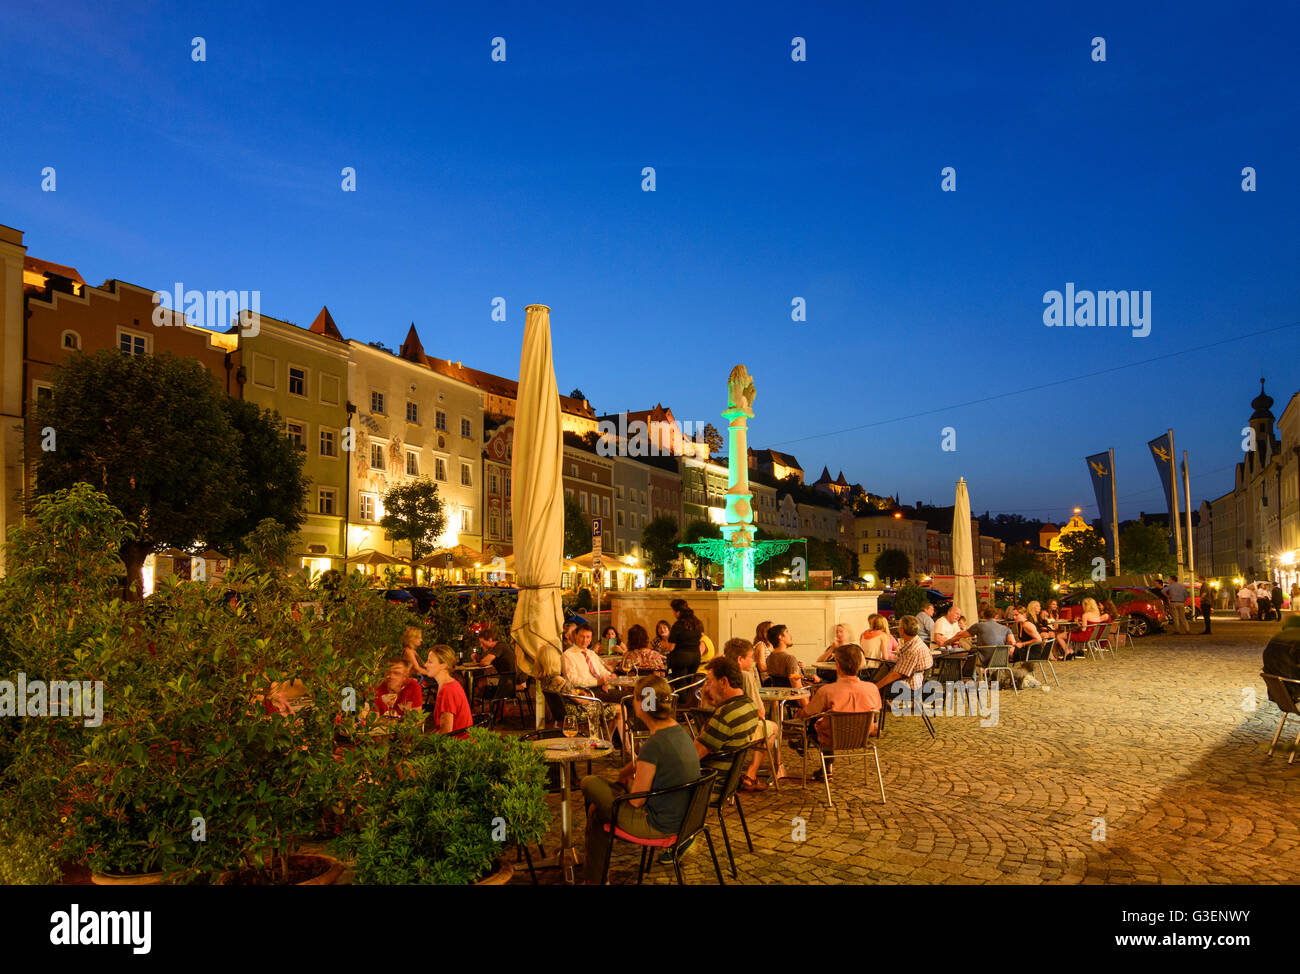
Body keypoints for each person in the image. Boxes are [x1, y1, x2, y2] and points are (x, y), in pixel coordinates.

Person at [580, 675, 701, 884]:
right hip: (685, 818)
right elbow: (657, 762)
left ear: (642, 705)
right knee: (597, 811)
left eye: (635, 698)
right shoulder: (678, 732)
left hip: (658, 824)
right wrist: (627, 772)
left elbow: (636, 801)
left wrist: (622, 786)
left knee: (589, 783)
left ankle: (595, 880)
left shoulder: (654, 744)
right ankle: (595, 880)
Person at [797, 644, 881, 781]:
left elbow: (808, 713)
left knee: (816, 723)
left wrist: (799, 714)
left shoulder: (826, 691)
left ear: (837, 665)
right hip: (863, 736)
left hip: (832, 738)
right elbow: (876, 709)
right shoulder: (872, 689)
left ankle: (827, 767)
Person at [694, 656, 763, 791]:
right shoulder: (749, 706)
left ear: (723, 681)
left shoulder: (725, 716)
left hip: (707, 786)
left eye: (709, 681)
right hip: (727, 783)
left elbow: (692, 756)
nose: (706, 688)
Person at [875, 615, 933, 707]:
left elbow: (896, 674)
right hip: (919, 682)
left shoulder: (912, 650)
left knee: (876, 689)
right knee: (883, 674)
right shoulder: (917, 642)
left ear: (902, 630)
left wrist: (875, 687)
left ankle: (870, 716)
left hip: (910, 688)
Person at [562, 623, 621, 701]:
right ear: (575, 636)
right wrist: (597, 682)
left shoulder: (592, 654)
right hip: (587, 693)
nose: (584, 640)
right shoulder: (568, 655)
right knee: (628, 699)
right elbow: (572, 681)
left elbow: (601, 671)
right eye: (582, 636)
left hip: (603, 689)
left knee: (629, 697)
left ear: (591, 639)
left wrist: (610, 675)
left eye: (588, 637)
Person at [424, 645, 472, 737]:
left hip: (456, 745)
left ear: (444, 665)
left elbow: (446, 731)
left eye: (430, 662)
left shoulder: (447, 690)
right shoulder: (450, 684)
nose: (425, 664)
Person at [967, 603, 1017, 669]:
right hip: (1001, 660)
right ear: (996, 616)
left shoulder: (979, 625)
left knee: (970, 649)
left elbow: (961, 635)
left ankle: (971, 676)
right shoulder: (1005, 628)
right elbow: (1013, 643)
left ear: (984, 616)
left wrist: (950, 641)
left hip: (984, 660)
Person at [665, 599, 704, 682]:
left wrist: (666, 644)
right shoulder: (697, 623)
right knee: (689, 684)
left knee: (680, 684)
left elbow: (671, 647)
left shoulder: (678, 625)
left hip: (681, 658)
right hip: (696, 657)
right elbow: (701, 636)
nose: (674, 614)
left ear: (678, 612)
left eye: (674, 612)